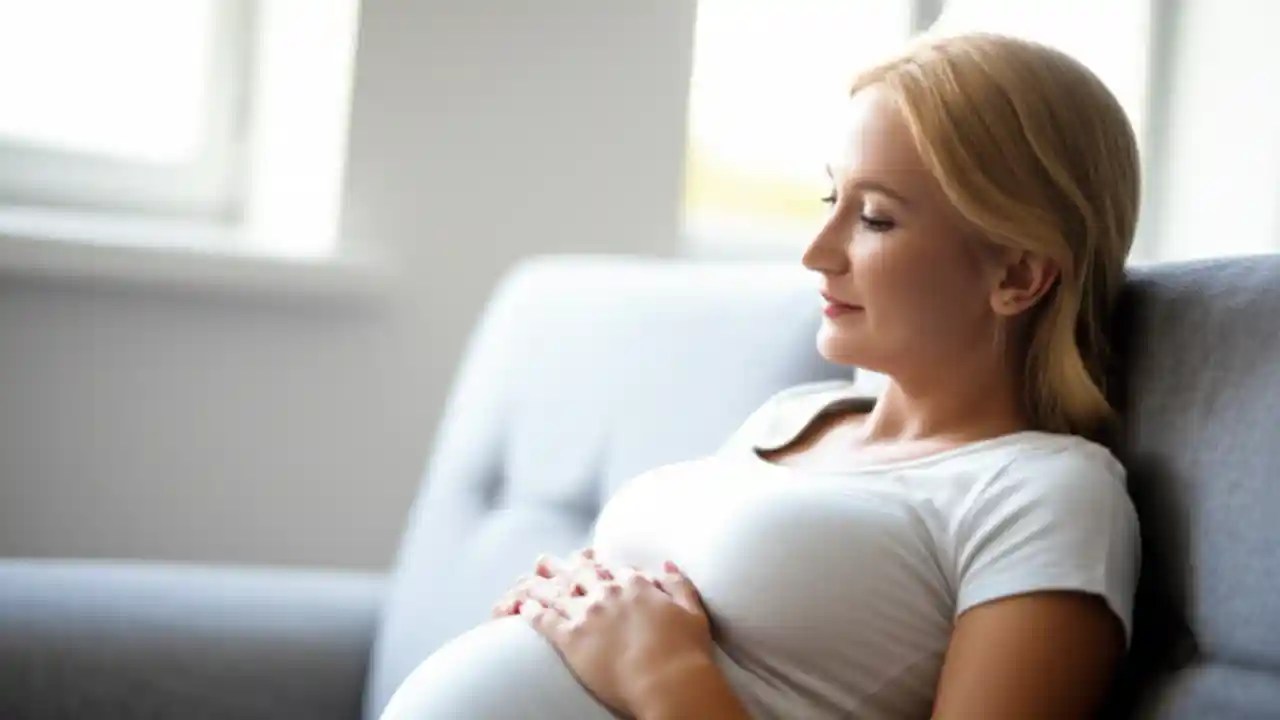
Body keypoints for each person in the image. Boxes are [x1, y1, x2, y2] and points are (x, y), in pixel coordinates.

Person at [380, 31, 1141, 720]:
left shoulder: (1045, 494)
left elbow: (668, 661)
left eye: (874, 217)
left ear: (1017, 273)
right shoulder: (793, 417)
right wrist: (564, 615)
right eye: (829, 198)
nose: (816, 250)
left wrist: (663, 677)